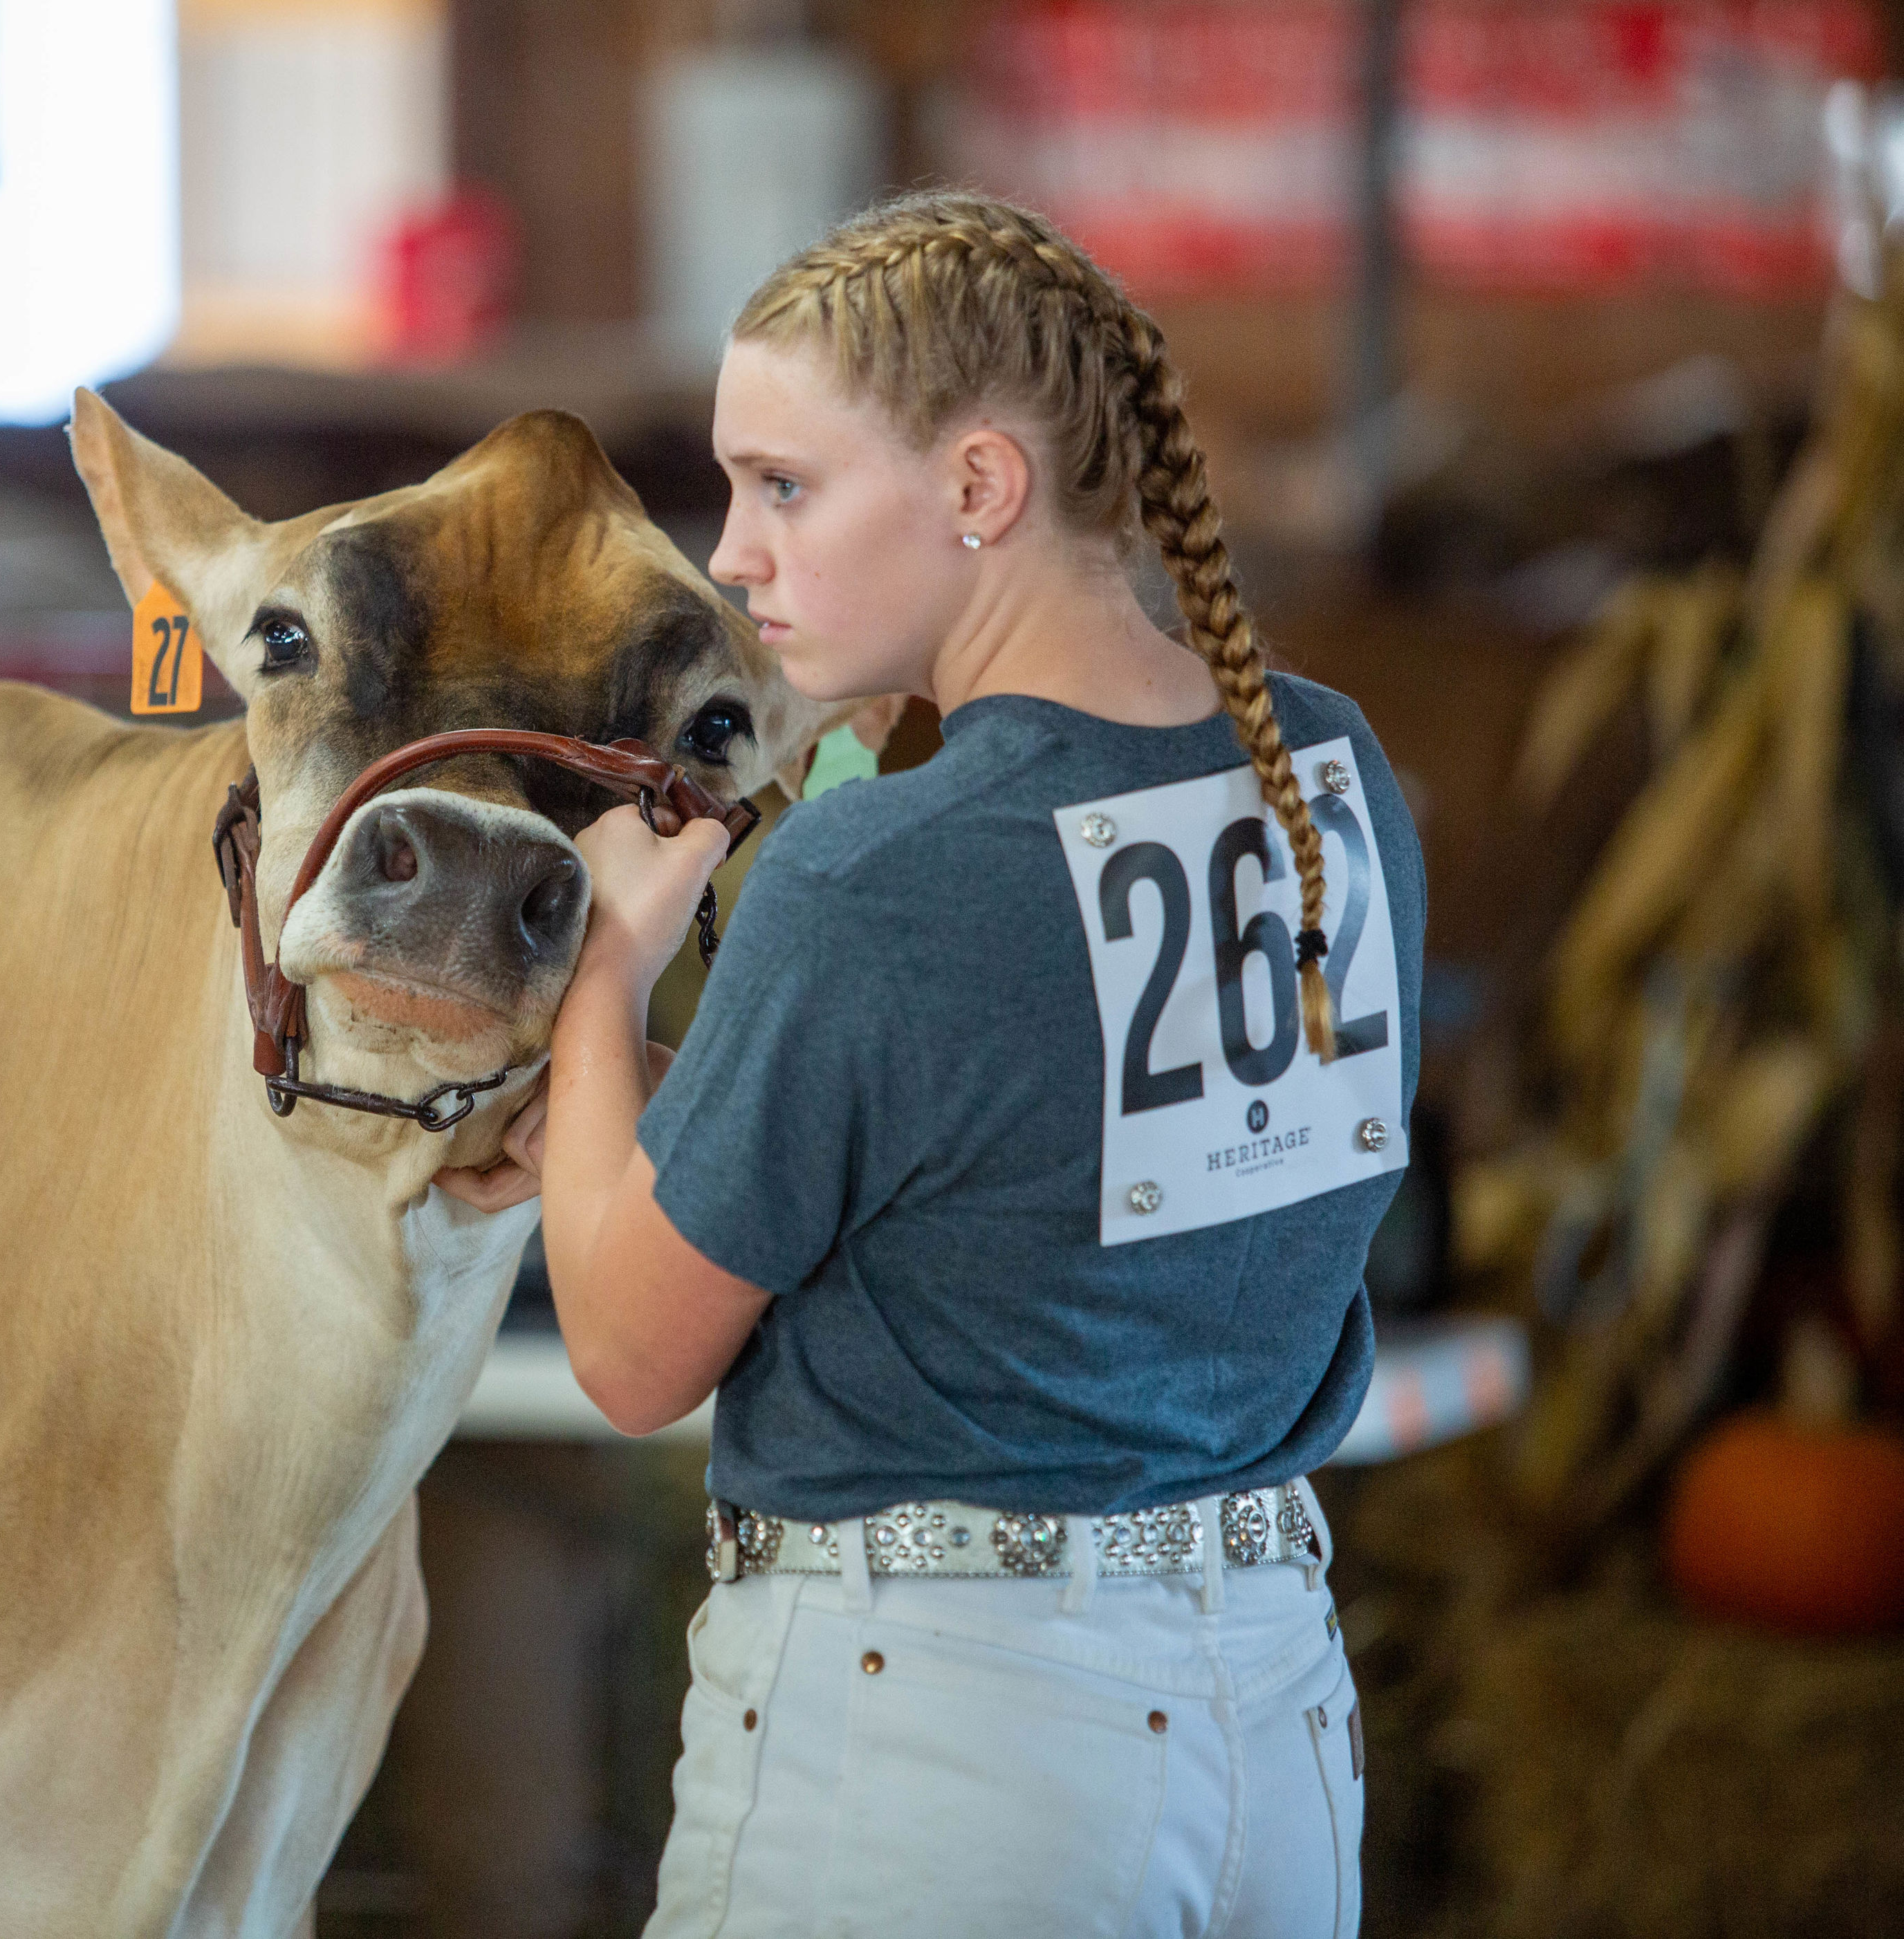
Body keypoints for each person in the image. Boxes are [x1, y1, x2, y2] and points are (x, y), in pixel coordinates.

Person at [438, 189, 1421, 1936]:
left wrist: (601, 975)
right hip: (1279, 1730)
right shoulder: (1327, 777)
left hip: (949, 1751)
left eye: (784, 486)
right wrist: (661, 1097)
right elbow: (1010, 1168)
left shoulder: (876, 876)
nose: (734, 555)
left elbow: (631, 1353)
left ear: (980, 486)